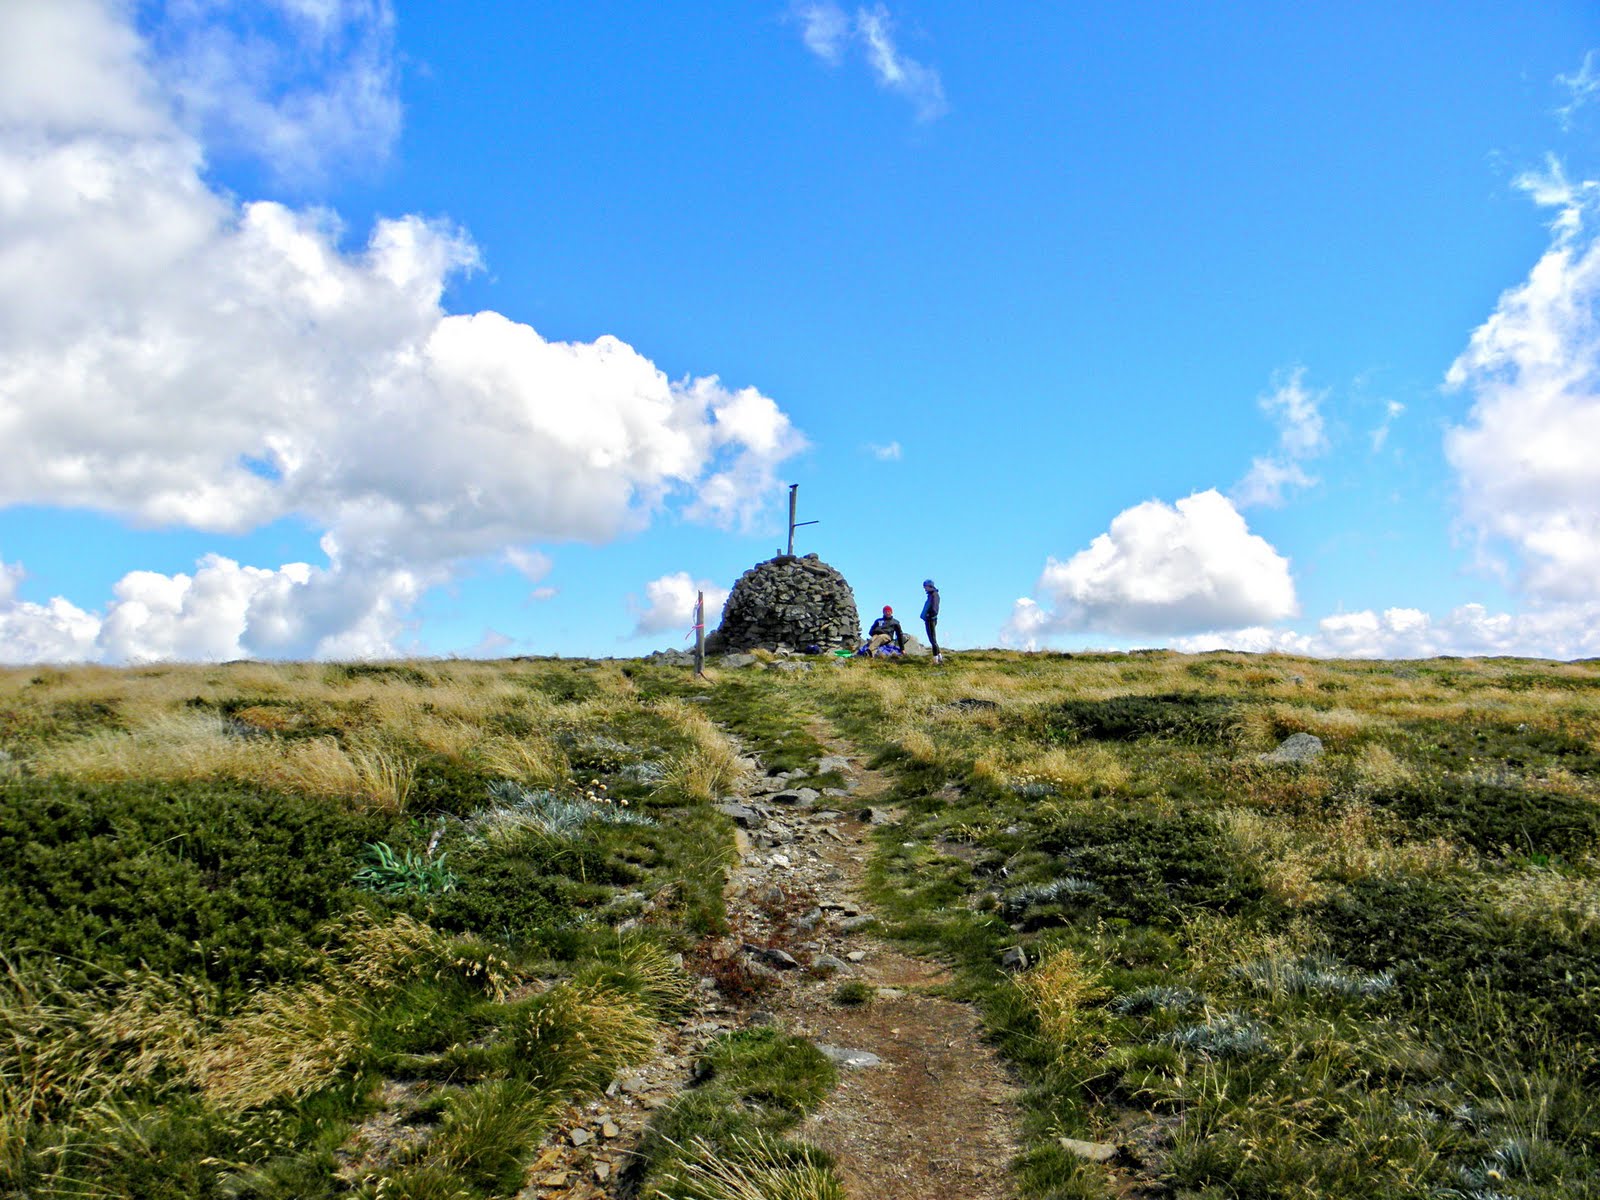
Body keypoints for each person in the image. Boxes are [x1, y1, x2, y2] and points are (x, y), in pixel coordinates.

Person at [921, 579, 942, 664]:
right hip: (929, 619)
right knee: (933, 639)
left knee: (932, 639)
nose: (924, 588)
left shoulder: (934, 595)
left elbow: (934, 608)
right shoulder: (931, 595)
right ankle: (939, 656)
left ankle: (935, 659)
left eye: (925, 586)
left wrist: (928, 615)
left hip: (930, 619)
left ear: (930, 586)